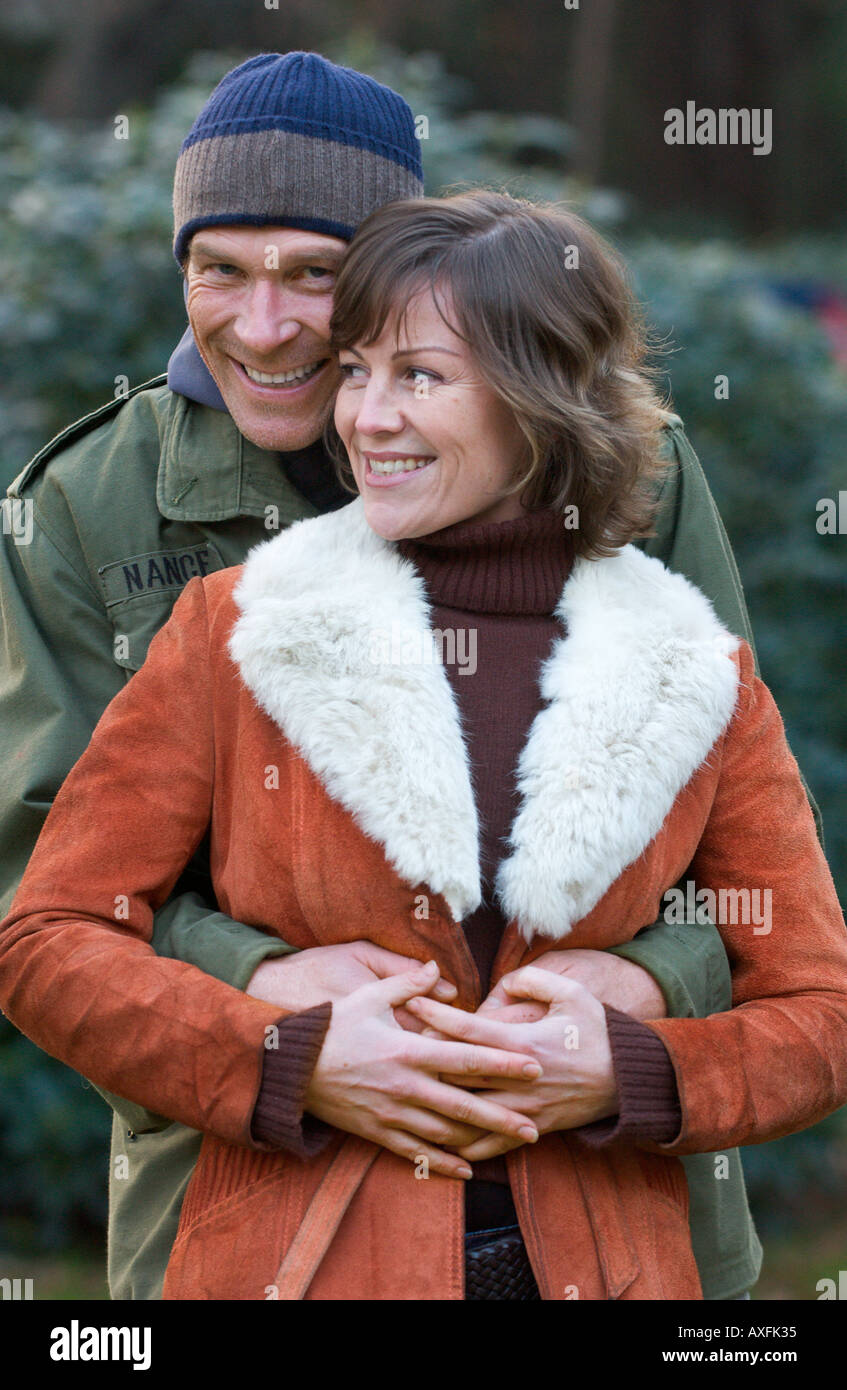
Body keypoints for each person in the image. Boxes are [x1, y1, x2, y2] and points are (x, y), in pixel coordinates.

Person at [0, 51, 778, 1301]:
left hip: (614, 1207)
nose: (263, 327)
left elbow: (736, 837)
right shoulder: (85, 508)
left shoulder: (635, 467)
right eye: (220, 271)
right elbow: (44, 898)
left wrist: (647, 984)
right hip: (258, 1213)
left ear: (398, 272)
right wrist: (272, 1012)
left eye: (316, 275)